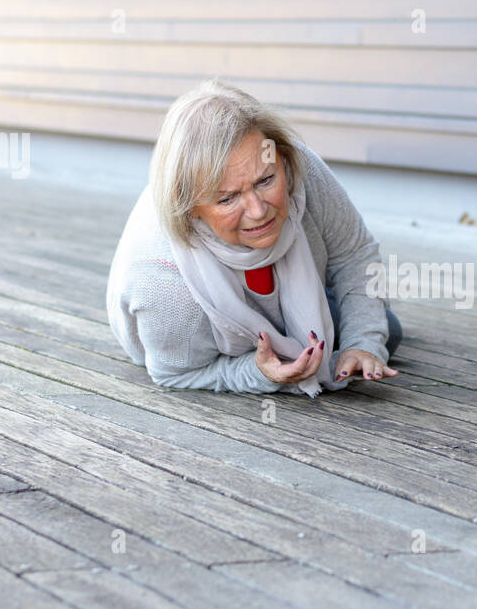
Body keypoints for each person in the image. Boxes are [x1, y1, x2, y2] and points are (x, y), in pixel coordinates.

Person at [106, 79, 401, 396]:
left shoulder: (296, 164)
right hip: (194, 333)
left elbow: (353, 253)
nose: (259, 211)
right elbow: (174, 373)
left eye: (266, 180)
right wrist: (257, 373)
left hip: (278, 296)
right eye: (227, 199)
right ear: (190, 208)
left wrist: (364, 343)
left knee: (385, 331)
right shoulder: (161, 286)